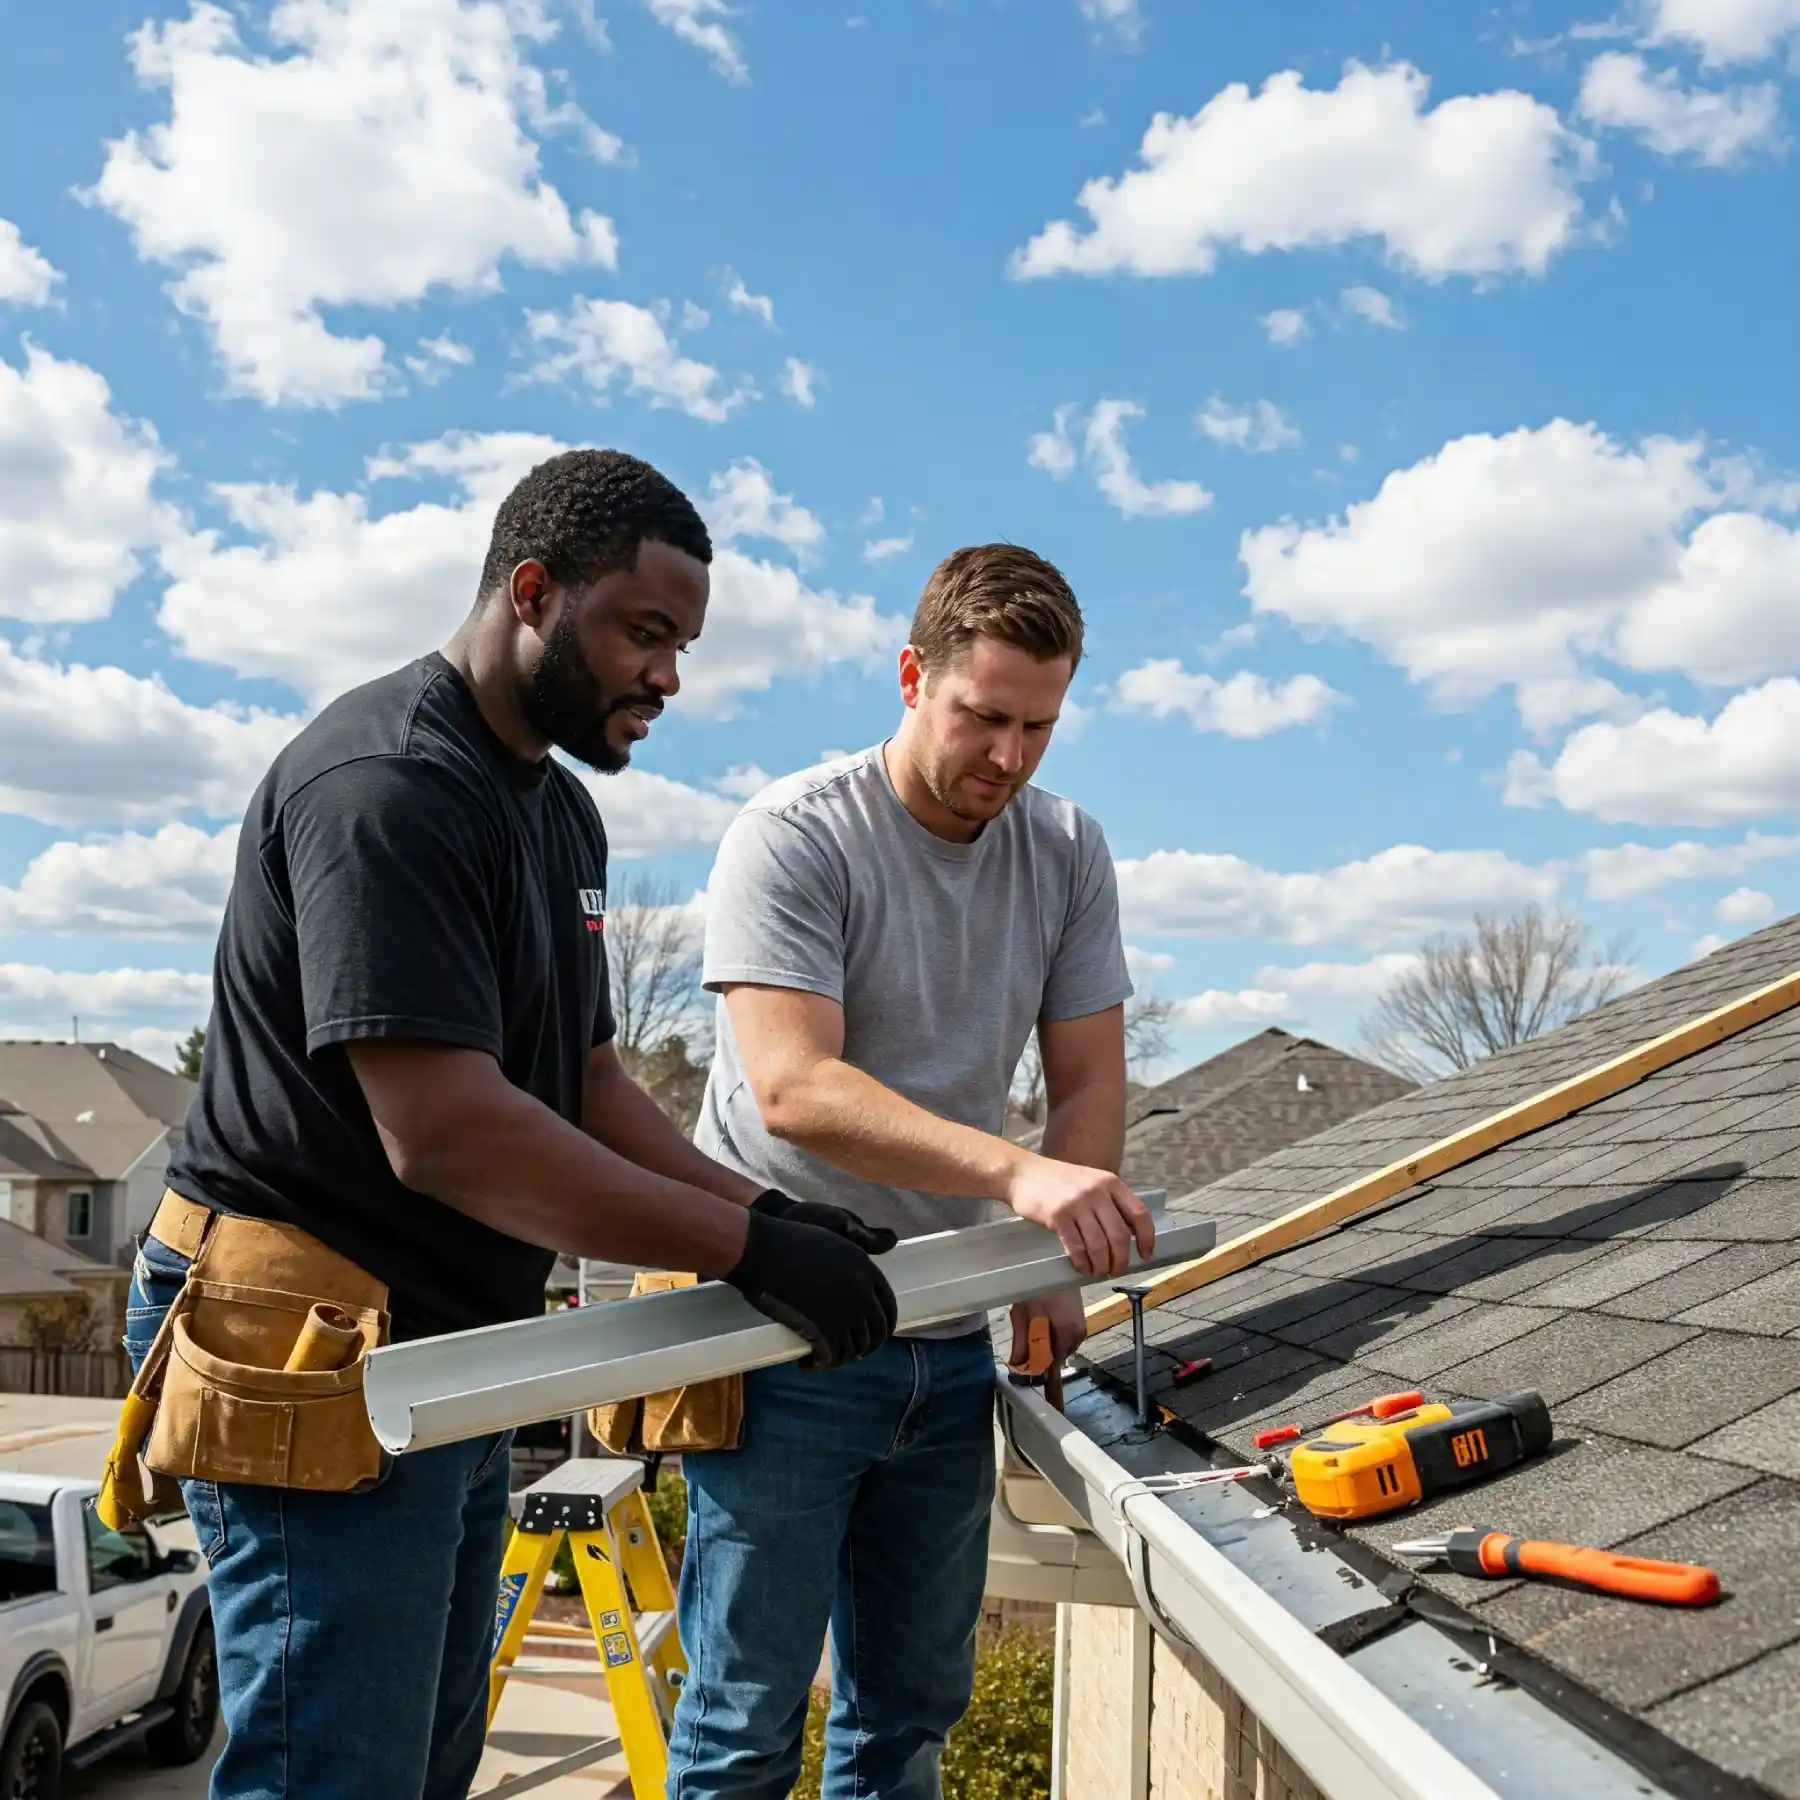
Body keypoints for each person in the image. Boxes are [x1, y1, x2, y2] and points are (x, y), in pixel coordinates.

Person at [118, 449, 897, 1800]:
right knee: (336, 1774)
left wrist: (766, 1209)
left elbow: (582, 1080)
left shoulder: (559, 813)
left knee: (426, 1763)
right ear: (532, 593)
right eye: (644, 632)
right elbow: (448, 1134)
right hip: (311, 1334)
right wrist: (746, 1253)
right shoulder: (386, 785)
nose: (669, 676)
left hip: (453, 1343)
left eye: (683, 645)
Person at [669, 543, 1154, 1800]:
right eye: (982, 717)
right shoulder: (795, 835)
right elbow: (797, 1086)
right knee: (742, 1725)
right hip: (782, 1331)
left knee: (907, 1720)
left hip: (947, 1335)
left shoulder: (1066, 849)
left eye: (1039, 727)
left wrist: (1050, 1260)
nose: (1009, 756)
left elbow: (1089, 1082)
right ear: (909, 676)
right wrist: (1022, 1182)